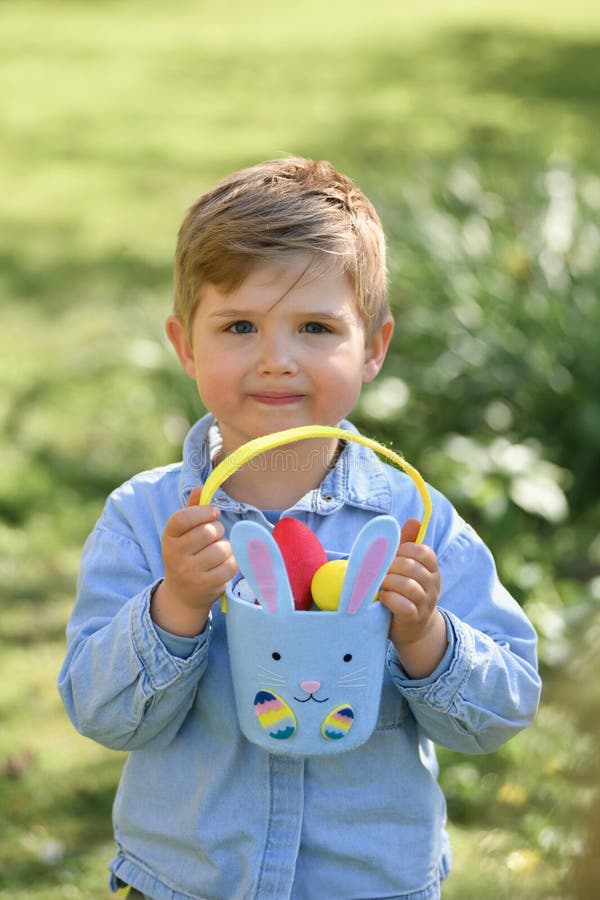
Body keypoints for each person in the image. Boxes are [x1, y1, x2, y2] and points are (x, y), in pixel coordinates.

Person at [58, 156, 541, 900]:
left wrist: (425, 636)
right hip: (185, 884)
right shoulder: (147, 520)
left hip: (368, 885)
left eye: (315, 327)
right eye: (239, 326)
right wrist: (175, 606)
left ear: (373, 346)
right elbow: (105, 717)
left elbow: (501, 713)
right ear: (186, 345)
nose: (276, 360)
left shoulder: (413, 523)